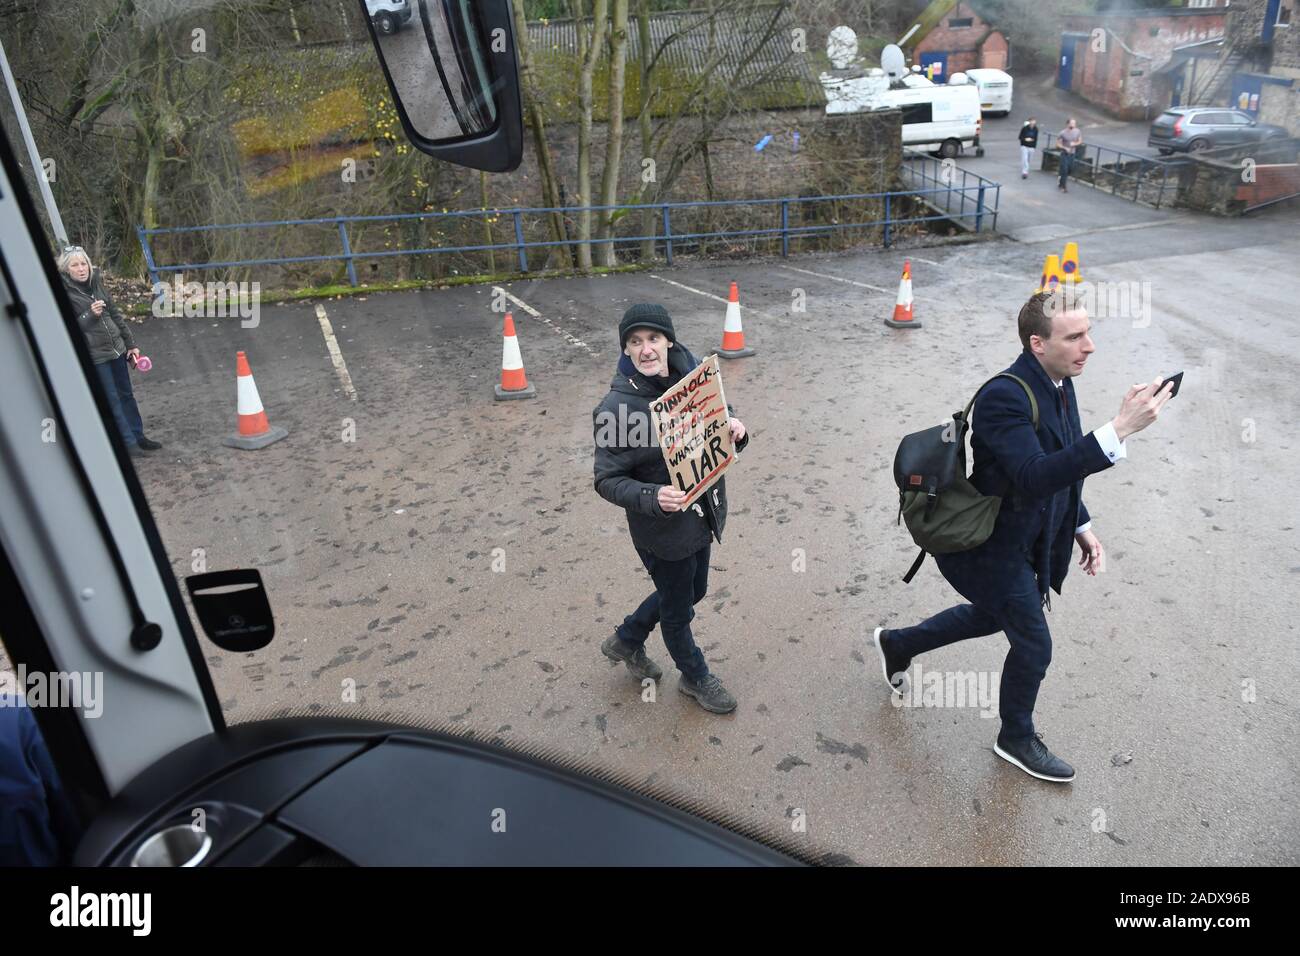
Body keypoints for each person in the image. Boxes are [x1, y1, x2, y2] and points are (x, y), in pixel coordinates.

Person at [872, 288, 1174, 782]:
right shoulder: (1004, 397)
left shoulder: (1059, 382)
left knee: (993, 617)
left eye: (1088, 333)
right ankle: (1014, 736)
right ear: (1037, 342)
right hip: (983, 546)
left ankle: (899, 644)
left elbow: (1063, 465)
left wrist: (1081, 525)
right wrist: (1117, 430)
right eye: (1075, 336)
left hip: (1022, 540)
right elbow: (1035, 474)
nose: (1089, 345)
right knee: (1034, 646)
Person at [593, 304, 750, 714]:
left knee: (692, 590)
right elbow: (606, 479)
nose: (645, 349)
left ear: (669, 341)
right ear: (626, 349)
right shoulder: (616, 409)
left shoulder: (692, 375)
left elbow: (719, 416)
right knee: (679, 611)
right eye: (635, 341)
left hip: (702, 513)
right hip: (662, 531)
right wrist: (652, 496)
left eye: (653, 339)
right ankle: (695, 677)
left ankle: (627, 639)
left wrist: (735, 428)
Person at [57, 247, 162, 457]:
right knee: (112, 399)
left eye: (83, 263)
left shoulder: (97, 284)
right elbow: (66, 328)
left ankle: (138, 436)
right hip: (95, 355)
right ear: (66, 270)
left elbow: (115, 314)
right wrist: (89, 315)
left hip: (117, 350)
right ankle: (127, 443)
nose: (81, 268)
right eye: (75, 265)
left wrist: (130, 344)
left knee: (126, 395)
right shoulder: (64, 293)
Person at [1056, 117, 1083, 192]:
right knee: (1064, 170)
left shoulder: (1077, 131)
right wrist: (1065, 148)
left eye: (1074, 123)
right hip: (1064, 154)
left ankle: (1060, 178)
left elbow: (1080, 141)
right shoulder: (1062, 133)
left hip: (1072, 154)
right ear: (1067, 124)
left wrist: (1075, 143)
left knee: (1070, 169)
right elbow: (1058, 144)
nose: (1073, 125)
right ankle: (1063, 187)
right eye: (1072, 123)